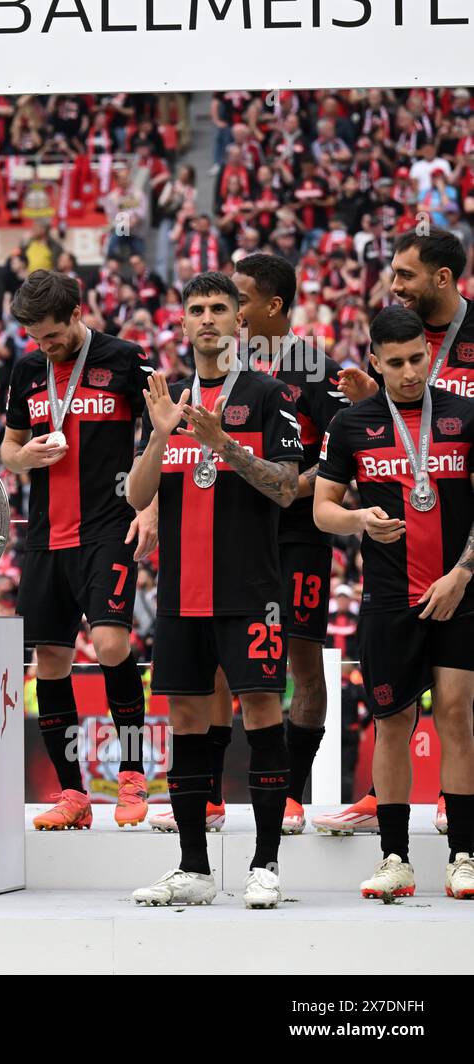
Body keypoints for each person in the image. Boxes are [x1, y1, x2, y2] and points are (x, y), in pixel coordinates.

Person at [153, 254, 352, 835]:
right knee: (213, 670)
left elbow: (338, 458)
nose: (224, 312)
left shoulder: (313, 369)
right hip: (230, 533)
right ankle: (209, 796)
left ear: (269, 308)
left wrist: (286, 489)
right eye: (211, 305)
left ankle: (289, 795)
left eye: (235, 300)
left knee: (298, 664)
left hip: (296, 535)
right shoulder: (203, 380)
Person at [128, 272, 303, 908]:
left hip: (249, 588)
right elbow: (136, 495)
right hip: (179, 593)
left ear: (240, 322)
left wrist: (221, 444)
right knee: (185, 721)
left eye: (219, 309)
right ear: (182, 323)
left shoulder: (267, 395)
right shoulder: (167, 399)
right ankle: (193, 868)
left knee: (261, 713)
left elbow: (286, 486)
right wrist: (159, 433)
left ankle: (266, 864)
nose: (207, 319)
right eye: (196, 308)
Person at [314, 305, 474, 901]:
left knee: (456, 713)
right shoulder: (353, 424)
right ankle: (395, 858)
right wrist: (357, 517)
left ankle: (463, 854)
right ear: (375, 362)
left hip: (459, 592)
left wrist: (461, 573)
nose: (409, 372)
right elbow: (322, 507)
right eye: (396, 363)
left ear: (428, 356)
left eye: (417, 359)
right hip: (388, 599)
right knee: (391, 724)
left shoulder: (465, 415)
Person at [0, 271, 157, 830]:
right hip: (44, 535)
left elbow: (161, 432)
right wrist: (25, 458)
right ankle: (73, 794)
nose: (46, 347)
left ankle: (133, 776)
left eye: (53, 336)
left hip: (108, 525)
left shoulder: (125, 359)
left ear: (76, 313)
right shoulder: (25, 370)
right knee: (50, 662)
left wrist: (151, 507)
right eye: (36, 338)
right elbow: (9, 447)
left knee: (112, 643)